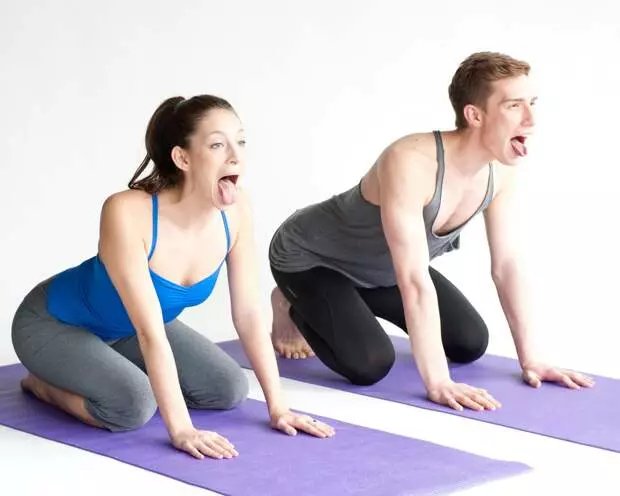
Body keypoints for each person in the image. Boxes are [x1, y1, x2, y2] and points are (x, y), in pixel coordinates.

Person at [11, 94, 334, 460]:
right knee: (131, 406)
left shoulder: (237, 208)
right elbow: (150, 332)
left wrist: (279, 408)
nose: (236, 156)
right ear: (182, 158)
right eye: (217, 144)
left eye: (240, 141)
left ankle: (104, 366)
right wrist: (181, 429)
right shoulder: (127, 212)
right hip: (55, 324)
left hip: (124, 331)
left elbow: (247, 314)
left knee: (226, 388)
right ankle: (44, 385)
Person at [268, 51, 595, 412]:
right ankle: (289, 300)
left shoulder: (500, 172)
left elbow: (507, 266)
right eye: (514, 105)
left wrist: (531, 359)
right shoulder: (411, 161)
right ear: (474, 115)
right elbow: (413, 277)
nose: (531, 119)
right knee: (369, 364)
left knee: (468, 342)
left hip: (381, 268)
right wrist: (438, 381)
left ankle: (347, 300)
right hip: (312, 258)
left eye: (532, 103)